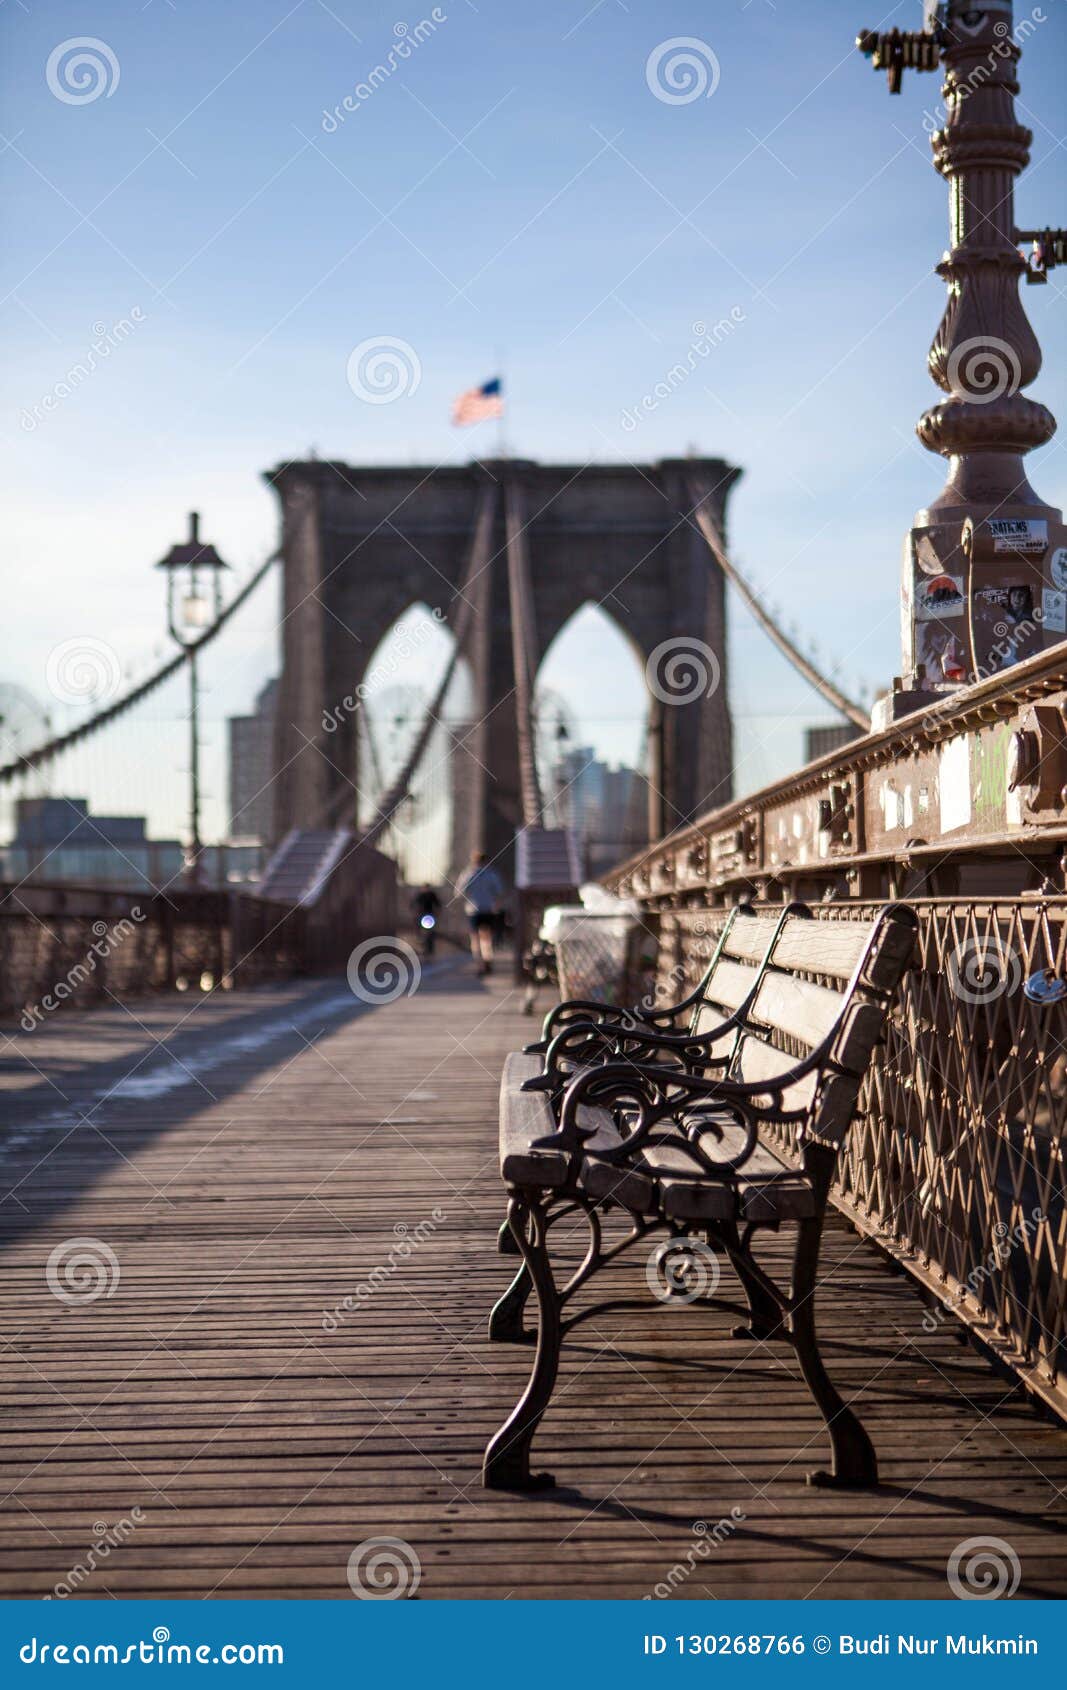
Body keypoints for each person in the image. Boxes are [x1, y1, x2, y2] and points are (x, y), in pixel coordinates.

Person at [455, 850, 504, 976]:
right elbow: (499, 892)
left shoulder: (467, 874)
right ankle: (487, 959)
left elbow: (458, 893)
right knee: (486, 936)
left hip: (473, 910)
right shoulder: (491, 874)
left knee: (476, 938)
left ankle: (480, 963)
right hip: (487, 909)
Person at [411, 884, 440, 956]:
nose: (426, 889)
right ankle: (421, 946)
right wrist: (415, 912)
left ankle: (430, 949)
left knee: (430, 933)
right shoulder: (419, 895)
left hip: (429, 916)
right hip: (420, 916)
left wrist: (437, 912)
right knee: (419, 933)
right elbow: (413, 905)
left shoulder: (432, 895)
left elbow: (437, 904)